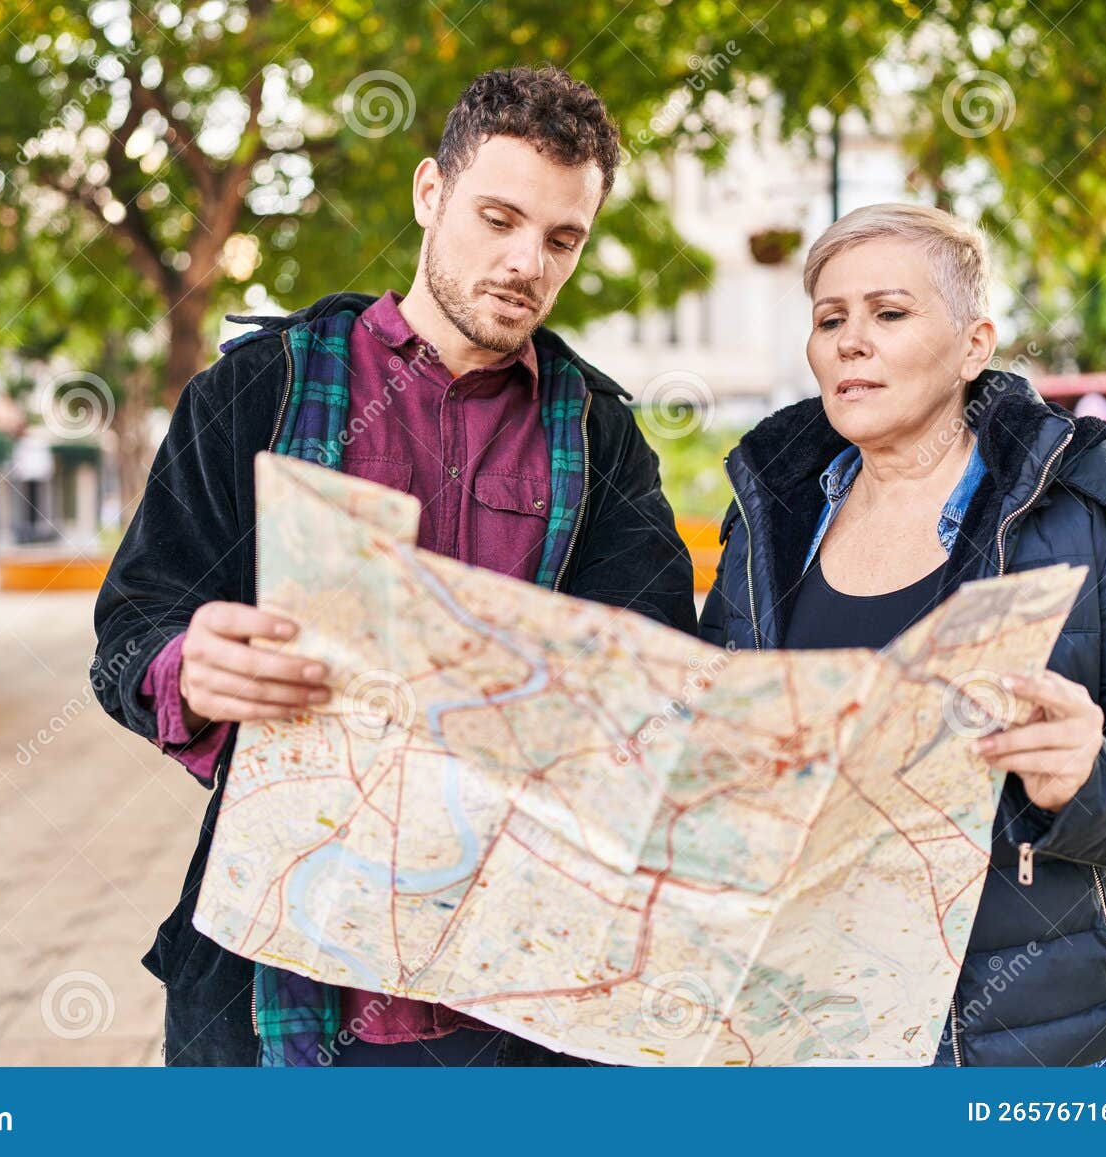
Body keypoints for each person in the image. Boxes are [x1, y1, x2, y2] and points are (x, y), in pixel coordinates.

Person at [91, 66, 696, 1067]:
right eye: (498, 218)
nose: (526, 263)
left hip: (514, 996)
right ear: (429, 192)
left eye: (562, 238)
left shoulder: (602, 437)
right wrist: (186, 666)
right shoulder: (257, 391)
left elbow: (653, 660)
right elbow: (135, 622)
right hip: (284, 974)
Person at [698, 202, 1106, 1066]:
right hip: (816, 1035)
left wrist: (1088, 777)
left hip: (1044, 1050)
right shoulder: (768, 519)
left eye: (889, 313)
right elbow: (708, 746)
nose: (850, 341)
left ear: (973, 345)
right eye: (830, 319)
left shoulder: (1090, 507)